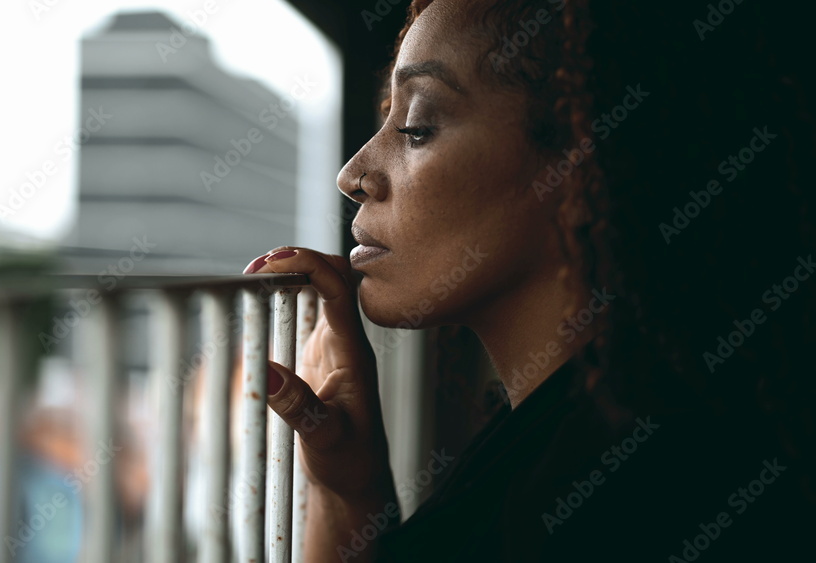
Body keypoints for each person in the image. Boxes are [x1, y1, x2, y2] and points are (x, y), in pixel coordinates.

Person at [244, 0, 815, 560]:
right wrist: (345, 489)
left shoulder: (616, 493)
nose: (354, 175)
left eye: (416, 126)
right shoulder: (578, 431)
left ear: (583, 166)